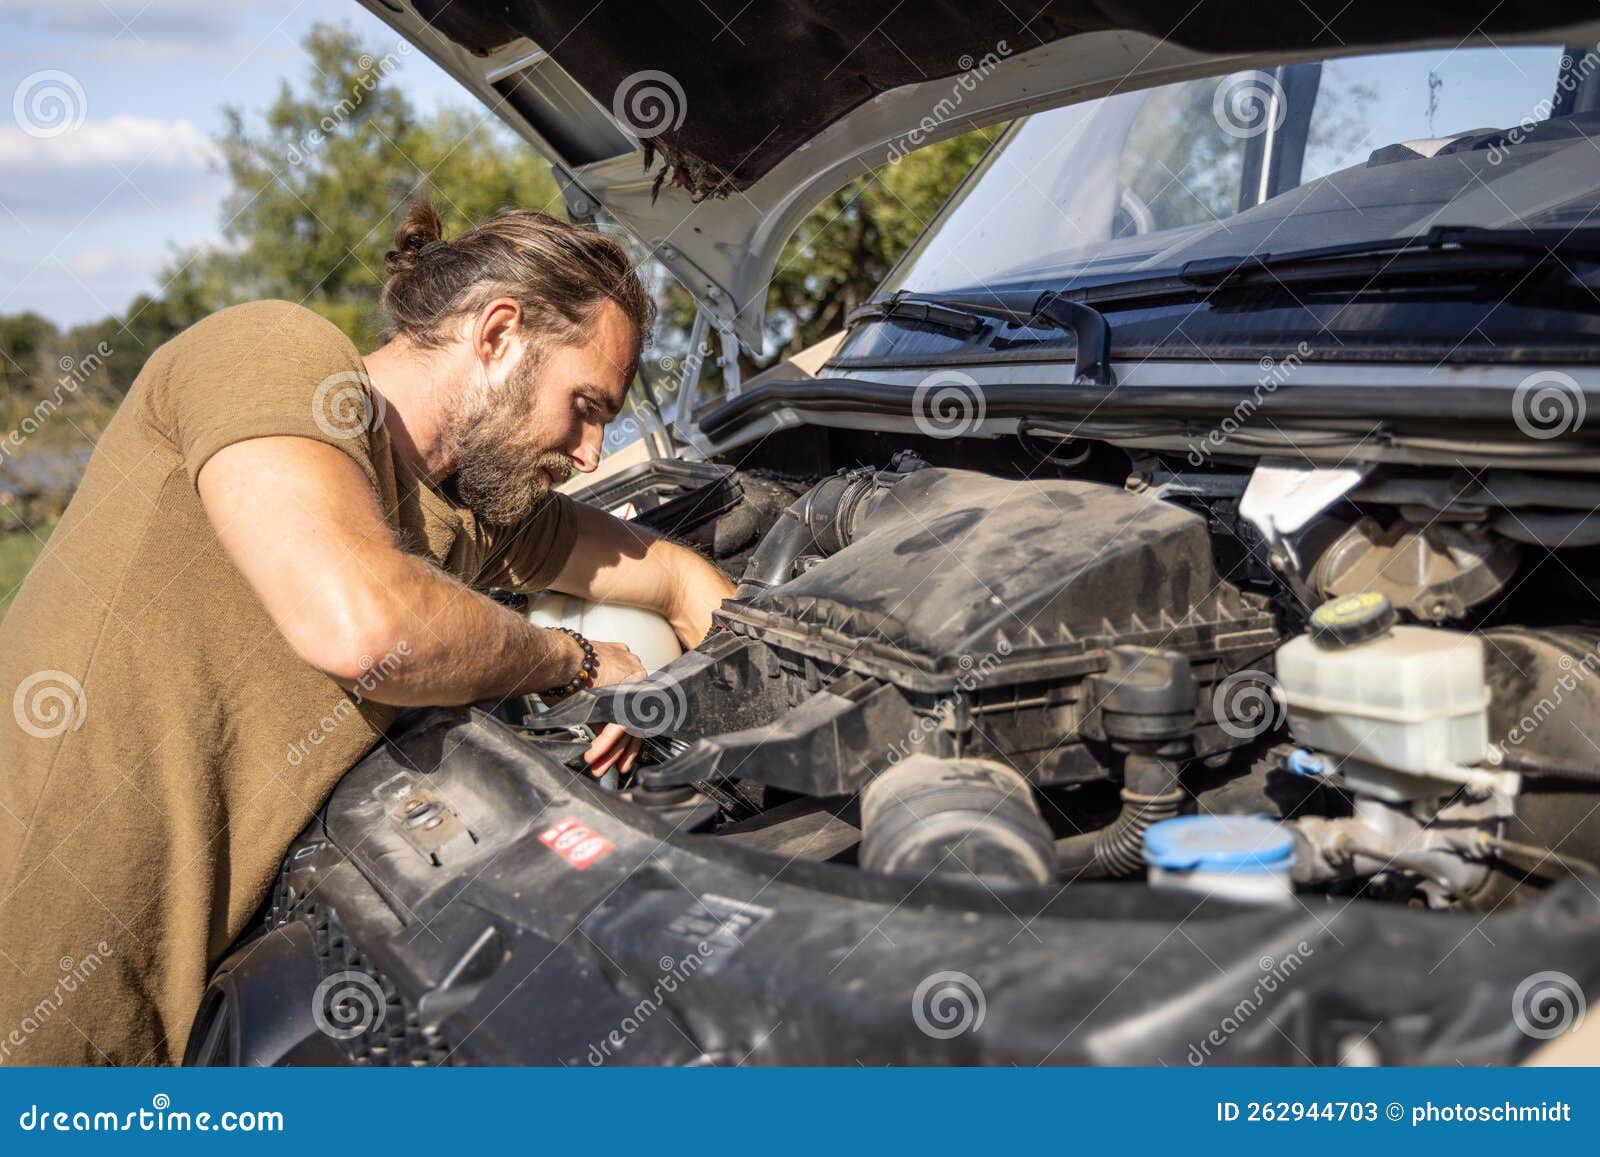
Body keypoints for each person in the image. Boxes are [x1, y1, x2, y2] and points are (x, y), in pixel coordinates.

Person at [0, 199, 734, 1065]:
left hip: (169, 1026)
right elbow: (363, 624)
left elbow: (678, 576)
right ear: (498, 333)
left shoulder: (473, 518)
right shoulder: (270, 351)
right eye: (584, 404)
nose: (589, 451)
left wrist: (687, 678)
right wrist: (569, 660)